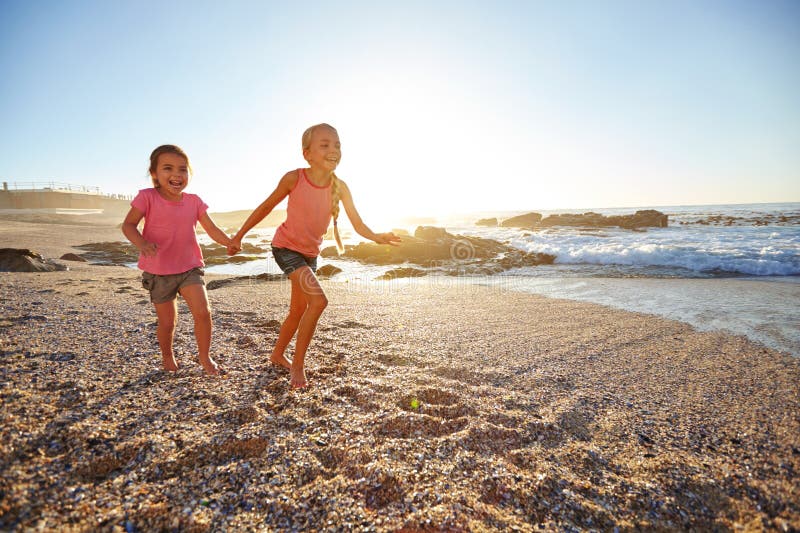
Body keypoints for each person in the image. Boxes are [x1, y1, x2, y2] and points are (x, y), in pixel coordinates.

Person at [228, 123, 400, 389]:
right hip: (285, 249)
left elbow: (358, 224)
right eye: (325, 144)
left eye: (337, 145)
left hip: (309, 255)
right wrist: (239, 235)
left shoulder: (340, 187)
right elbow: (265, 207)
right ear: (307, 153)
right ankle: (298, 366)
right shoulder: (294, 178)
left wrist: (378, 236)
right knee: (318, 302)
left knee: (297, 310)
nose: (333, 149)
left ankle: (277, 354)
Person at [122, 144, 233, 376]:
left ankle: (205, 357)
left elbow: (211, 228)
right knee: (168, 323)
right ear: (154, 173)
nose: (176, 174)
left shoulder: (194, 201)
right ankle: (167, 355)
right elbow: (129, 225)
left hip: (189, 267)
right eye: (168, 168)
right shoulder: (147, 197)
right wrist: (142, 244)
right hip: (159, 271)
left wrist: (229, 242)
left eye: (183, 169)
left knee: (203, 312)